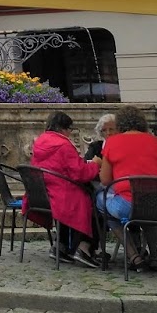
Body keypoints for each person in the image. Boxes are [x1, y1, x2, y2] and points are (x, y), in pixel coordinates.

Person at [97, 105, 157, 269]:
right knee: (148, 205)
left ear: (120, 124)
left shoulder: (112, 143)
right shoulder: (155, 141)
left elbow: (105, 180)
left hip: (128, 206)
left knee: (101, 200)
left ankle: (133, 255)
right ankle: (155, 256)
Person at [30, 109, 102, 267]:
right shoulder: (63, 144)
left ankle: (61, 246)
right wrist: (96, 165)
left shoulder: (41, 141)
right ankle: (84, 248)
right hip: (62, 193)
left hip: (43, 193)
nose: (70, 133)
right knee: (93, 203)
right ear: (63, 129)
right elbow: (80, 173)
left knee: (83, 199)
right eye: (69, 130)